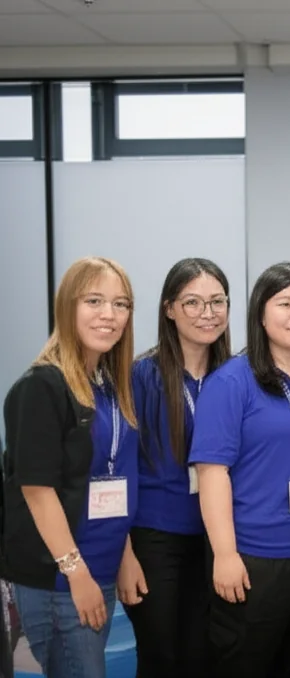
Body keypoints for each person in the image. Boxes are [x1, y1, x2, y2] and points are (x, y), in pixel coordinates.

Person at [190, 262, 290, 678]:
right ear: (260, 314)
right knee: (245, 665)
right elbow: (212, 474)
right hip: (256, 558)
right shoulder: (231, 383)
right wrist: (225, 554)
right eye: (285, 304)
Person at [1, 257, 139, 678]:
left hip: (102, 566)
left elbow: (110, 477)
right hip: (60, 579)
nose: (109, 314)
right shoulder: (41, 387)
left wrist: (125, 556)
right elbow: (37, 491)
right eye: (94, 301)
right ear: (67, 307)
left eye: (120, 304)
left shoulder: (110, 386)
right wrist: (76, 574)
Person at [121, 258, 232, 677]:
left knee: (206, 656)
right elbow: (118, 469)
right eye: (193, 302)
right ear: (169, 309)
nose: (207, 313)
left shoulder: (236, 376)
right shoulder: (140, 377)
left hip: (219, 538)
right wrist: (124, 555)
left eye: (217, 301)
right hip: (156, 539)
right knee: (161, 656)